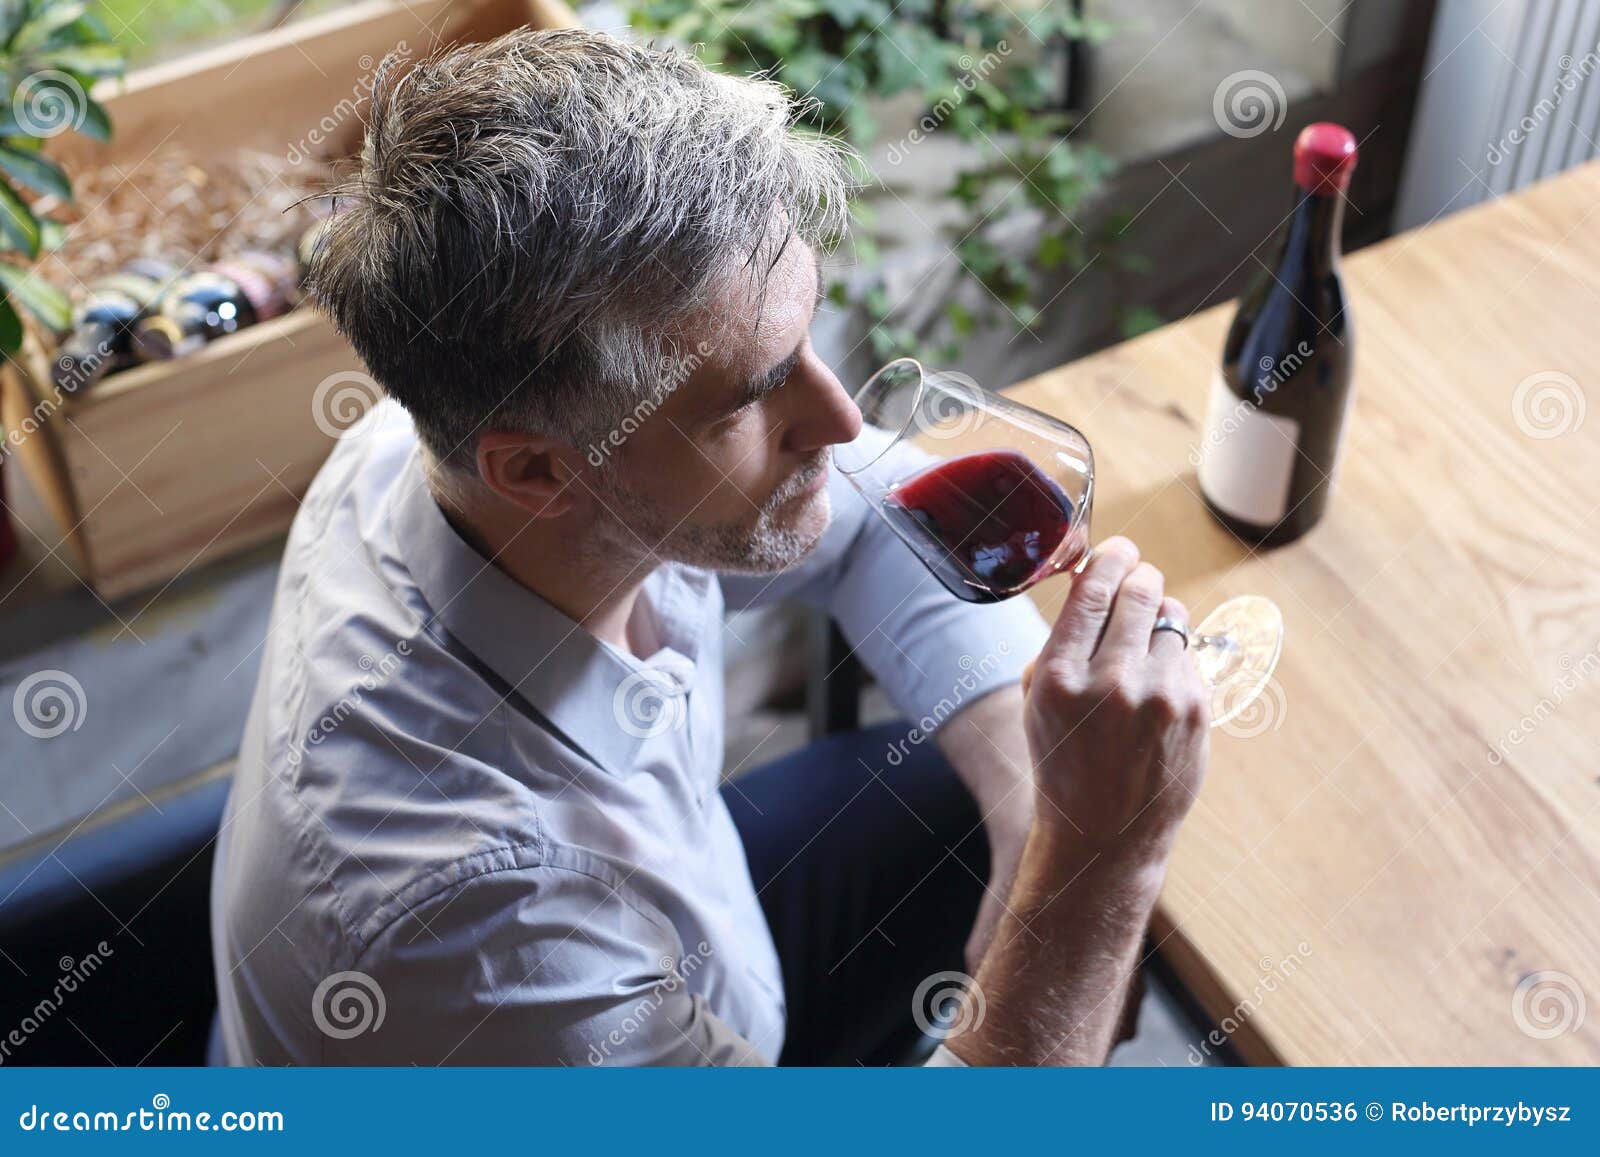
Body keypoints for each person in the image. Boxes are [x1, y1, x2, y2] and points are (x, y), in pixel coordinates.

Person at [208, 27, 1209, 1066]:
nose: (838, 419)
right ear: (540, 471)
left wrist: (1028, 820)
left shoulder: (460, 435)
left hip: (699, 950)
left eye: (802, 339)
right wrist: (1100, 858)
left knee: (979, 782)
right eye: (752, 391)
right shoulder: (487, 944)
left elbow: (874, 527)